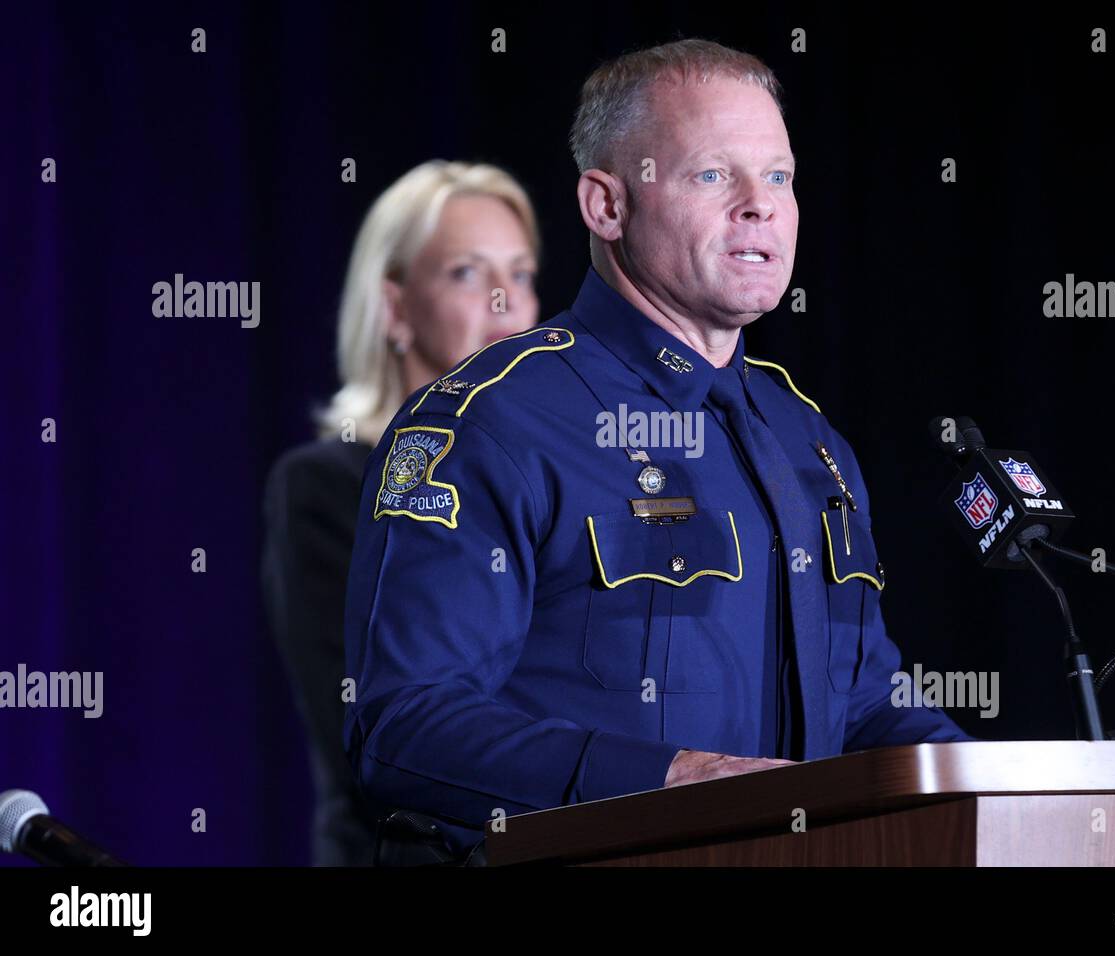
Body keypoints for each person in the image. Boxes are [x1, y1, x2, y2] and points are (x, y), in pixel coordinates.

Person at [343, 40, 976, 861]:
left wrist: (997, 780)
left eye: (779, 177)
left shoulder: (809, 440)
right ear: (606, 206)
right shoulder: (488, 424)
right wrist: (670, 782)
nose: (761, 207)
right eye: (714, 175)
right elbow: (404, 726)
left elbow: (860, 710)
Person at [262, 160, 541, 865]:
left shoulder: (546, 483)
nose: (508, 303)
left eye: (523, 273)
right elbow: (372, 738)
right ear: (394, 307)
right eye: (467, 274)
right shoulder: (326, 487)